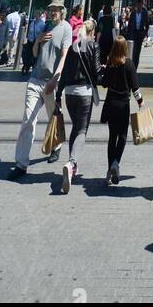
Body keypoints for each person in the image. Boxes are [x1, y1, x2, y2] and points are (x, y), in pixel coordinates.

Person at [9, 0, 72, 179]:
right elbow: (36, 54)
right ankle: (21, 163)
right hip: (35, 79)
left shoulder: (66, 28)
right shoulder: (45, 26)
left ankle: (56, 146)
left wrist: (56, 78)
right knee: (28, 119)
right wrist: (37, 41)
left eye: (57, 9)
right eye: (51, 9)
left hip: (52, 82)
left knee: (53, 118)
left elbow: (64, 55)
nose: (54, 12)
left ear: (62, 11)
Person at [56, 18, 100, 193]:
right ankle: (72, 162)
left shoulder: (74, 47)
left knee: (75, 127)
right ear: (92, 32)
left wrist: (58, 94)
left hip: (69, 93)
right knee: (82, 129)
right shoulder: (93, 46)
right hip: (84, 93)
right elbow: (96, 72)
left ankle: (72, 164)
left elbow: (65, 71)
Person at [99, 37, 144, 185]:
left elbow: (104, 84)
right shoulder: (129, 64)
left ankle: (109, 171)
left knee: (112, 136)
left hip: (111, 103)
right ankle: (116, 163)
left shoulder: (111, 64)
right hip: (124, 104)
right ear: (125, 48)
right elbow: (135, 87)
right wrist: (140, 102)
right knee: (123, 136)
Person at [126, 0, 149, 70]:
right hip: (133, 33)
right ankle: (132, 64)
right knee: (133, 50)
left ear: (142, 5)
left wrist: (145, 33)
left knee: (138, 50)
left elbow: (147, 24)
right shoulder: (133, 13)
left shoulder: (145, 13)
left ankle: (136, 64)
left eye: (140, 5)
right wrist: (128, 34)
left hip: (140, 33)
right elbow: (130, 24)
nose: (139, 6)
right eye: (137, 5)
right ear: (136, 5)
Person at [23, 8, 46, 73]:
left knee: (35, 56)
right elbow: (29, 31)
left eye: (37, 14)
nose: (36, 15)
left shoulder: (42, 24)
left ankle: (34, 68)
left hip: (37, 42)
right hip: (30, 41)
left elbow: (42, 33)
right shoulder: (32, 22)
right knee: (28, 55)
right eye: (35, 14)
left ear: (40, 15)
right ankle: (26, 68)